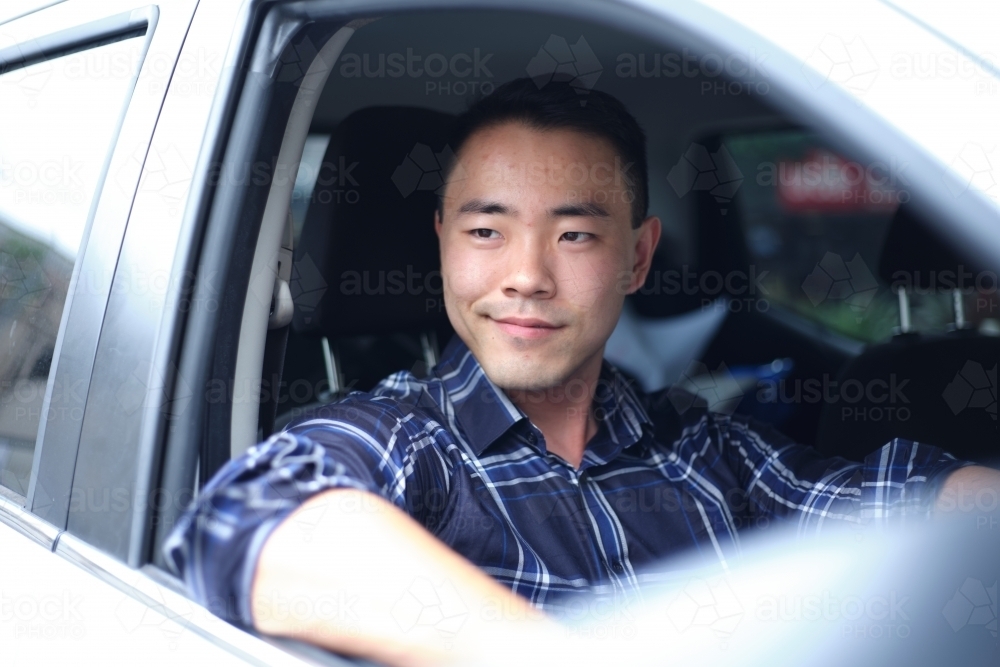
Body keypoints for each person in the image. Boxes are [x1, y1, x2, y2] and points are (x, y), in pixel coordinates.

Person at [164, 78, 1000, 666]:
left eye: (575, 235)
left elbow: (896, 501)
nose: (526, 274)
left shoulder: (701, 447)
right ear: (443, 243)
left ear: (637, 257)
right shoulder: (406, 440)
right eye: (486, 231)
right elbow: (245, 519)